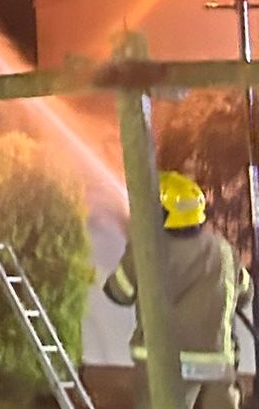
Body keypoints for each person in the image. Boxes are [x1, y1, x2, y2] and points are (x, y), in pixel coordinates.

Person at [104, 170, 250, 409]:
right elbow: (245, 294)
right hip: (216, 363)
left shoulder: (147, 249)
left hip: (164, 364)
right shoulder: (223, 249)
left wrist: (133, 249)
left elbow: (118, 292)